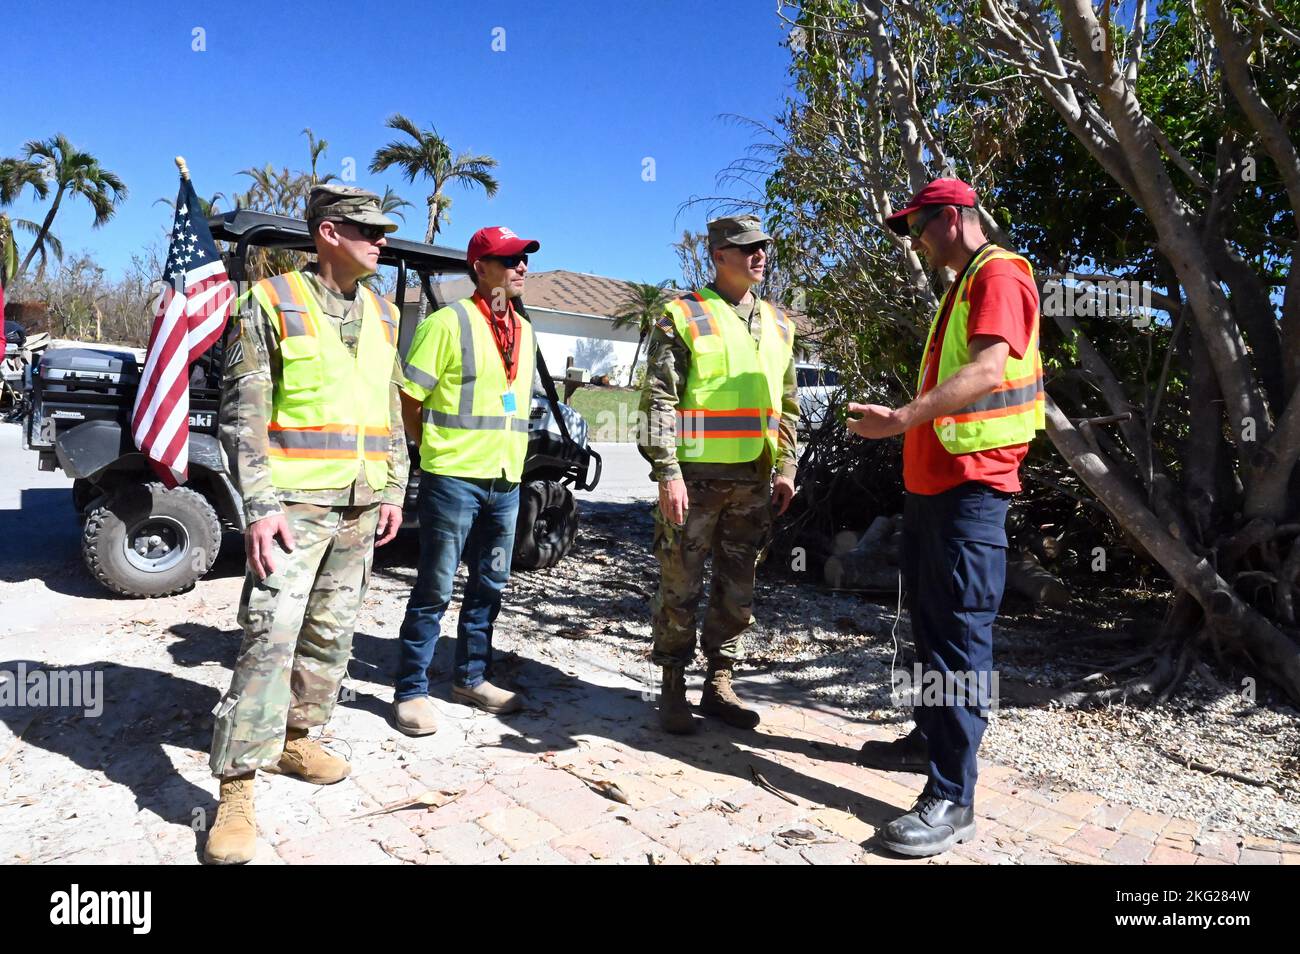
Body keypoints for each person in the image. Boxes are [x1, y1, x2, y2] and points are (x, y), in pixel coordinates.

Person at [205, 184, 408, 864]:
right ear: (327, 232)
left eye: (381, 231)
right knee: (270, 638)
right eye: (366, 230)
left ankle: (299, 738)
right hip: (293, 507)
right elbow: (243, 416)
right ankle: (236, 789)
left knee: (330, 634)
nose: (380, 241)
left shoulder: (383, 313)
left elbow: (388, 410)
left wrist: (394, 488)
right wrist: (258, 507)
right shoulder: (270, 302)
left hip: (360, 503)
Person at [848, 177, 1043, 857]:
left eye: (920, 226)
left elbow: (989, 372)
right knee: (933, 633)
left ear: (953, 217)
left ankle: (953, 799)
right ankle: (929, 744)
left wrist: (902, 418)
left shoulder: (999, 273)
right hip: (936, 494)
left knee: (960, 642)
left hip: (971, 495)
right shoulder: (962, 287)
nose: (916, 241)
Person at [639, 214, 799, 734]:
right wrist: (667, 472)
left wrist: (786, 465)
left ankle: (719, 683)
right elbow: (659, 399)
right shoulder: (681, 315)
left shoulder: (780, 322)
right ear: (718, 255)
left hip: (752, 483)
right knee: (680, 585)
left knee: (738, 588)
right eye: (746, 247)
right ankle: (671, 686)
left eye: (763, 247)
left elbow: (789, 403)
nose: (759, 255)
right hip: (694, 480)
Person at [392, 226, 539, 735]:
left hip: (506, 481)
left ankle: (471, 678)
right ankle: (411, 689)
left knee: (489, 584)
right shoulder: (448, 323)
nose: (521, 267)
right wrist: (429, 449)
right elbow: (409, 397)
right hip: (453, 479)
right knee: (434, 586)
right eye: (509, 259)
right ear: (480, 268)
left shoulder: (525, 329)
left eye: (523, 259)